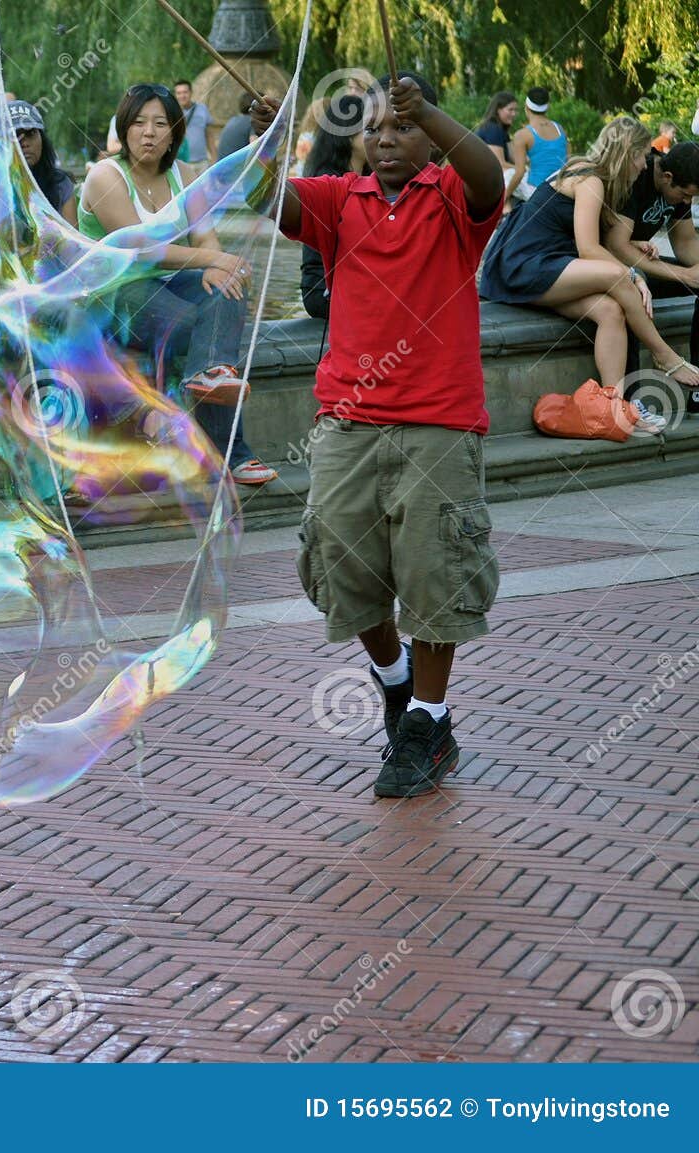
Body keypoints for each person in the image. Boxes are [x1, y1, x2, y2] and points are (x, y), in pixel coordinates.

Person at [251, 71, 507, 798]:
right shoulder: (341, 199)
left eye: (403, 126)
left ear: (431, 137)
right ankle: (395, 681)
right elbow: (270, 202)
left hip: (439, 422)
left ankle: (428, 722)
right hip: (347, 421)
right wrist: (270, 145)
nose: (387, 138)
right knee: (340, 563)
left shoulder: (453, 198)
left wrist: (430, 108)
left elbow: (488, 174)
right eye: (378, 128)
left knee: (436, 571)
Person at [78, 83, 275, 486]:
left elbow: (205, 238)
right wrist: (214, 261)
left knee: (226, 289)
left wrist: (222, 268)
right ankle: (232, 451)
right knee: (201, 326)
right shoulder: (105, 176)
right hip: (115, 297)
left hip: (165, 288)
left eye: (160, 123)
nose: (148, 132)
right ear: (124, 128)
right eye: (138, 123)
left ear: (175, 132)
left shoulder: (185, 175)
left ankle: (209, 376)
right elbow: (141, 249)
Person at [481, 116, 699, 411]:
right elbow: (588, 248)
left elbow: (592, 235)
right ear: (626, 154)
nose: (646, 165)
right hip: (527, 262)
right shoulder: (589, 177)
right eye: (641, 156)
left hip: (553, 263)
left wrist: (633, 248)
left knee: (610, 310)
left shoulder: (606, 183)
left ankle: (614, 404)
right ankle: (664, 355)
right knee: (619, 278)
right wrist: (633, 275)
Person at [605, 141, 699, 412]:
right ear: (667, 177)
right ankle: (629, 399)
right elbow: (617, 247)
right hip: (613, 263)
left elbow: (684, 243)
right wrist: (684, 275)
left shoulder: (682, 182)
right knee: (632, 296)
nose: (685, 202)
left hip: (642, 260)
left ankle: (696, 390)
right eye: (683, 195)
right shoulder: (638, 176)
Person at [298, 92, 367, 320]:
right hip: (324, 290)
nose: (382, 137)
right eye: (370, 129)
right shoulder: (325, 180)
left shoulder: (372, 177)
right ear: (346, 134)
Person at [0, 100, 77, 225]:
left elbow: (73, 241)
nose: (25, 143)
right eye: (13, 136)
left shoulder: (60, 184)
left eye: (31, 134)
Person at [505, 87, 567, 204]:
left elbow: (519, 173)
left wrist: (505, 197)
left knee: (508, 174)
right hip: (560, 188)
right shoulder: (560, 129)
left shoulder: (522, 135)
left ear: (526, 107)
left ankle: (505, 212)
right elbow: (567, 160)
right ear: (547, 107)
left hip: (538, 191)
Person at [475, 91, 517, 196]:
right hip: (484, 178)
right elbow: (500, 164)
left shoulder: (502, 131)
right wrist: (522, 170)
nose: (514, 114)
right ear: (498, 110)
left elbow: (515, 159)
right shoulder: (492, 129)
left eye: (515, 110)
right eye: (510, 110)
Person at [173, 79, 214, 183]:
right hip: (182, 162)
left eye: (185, 92)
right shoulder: (173, 112)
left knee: (204, 193)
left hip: (202, 161)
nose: (182, 96)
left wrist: (214, 157)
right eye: (179, 93)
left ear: (191, 92)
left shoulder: (202, 109)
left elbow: (209, 134)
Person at [217, 92, 256, 161]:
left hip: (222, 166)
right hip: (235, 169)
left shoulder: (233, 119)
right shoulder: (253, 121)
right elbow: (255, 150)